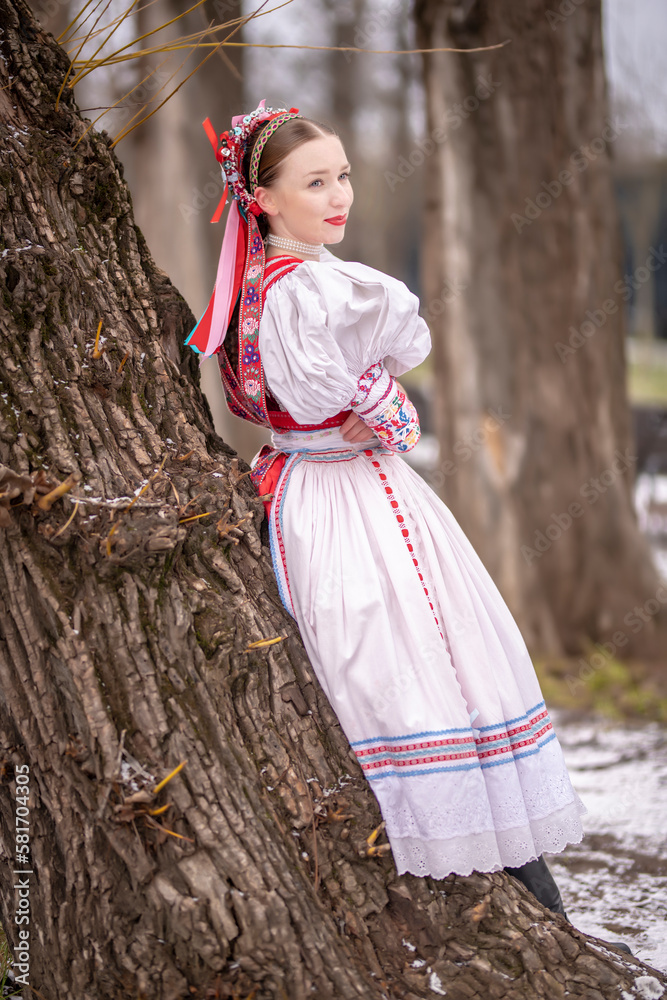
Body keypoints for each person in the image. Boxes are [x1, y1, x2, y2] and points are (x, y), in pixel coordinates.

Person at [185, 100, 630, 951]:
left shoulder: (299, 284)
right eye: (315, 181)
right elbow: (325, 399)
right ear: (264, 199)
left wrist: (385, 407)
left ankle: (526, 898)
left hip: (373, 495)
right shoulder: (296, 290)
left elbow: (381, 389)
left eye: (344, 174)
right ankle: (483, 882)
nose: (339, 193)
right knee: (391, 669)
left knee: (445, 659)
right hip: (334, 503)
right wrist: (380, 404)